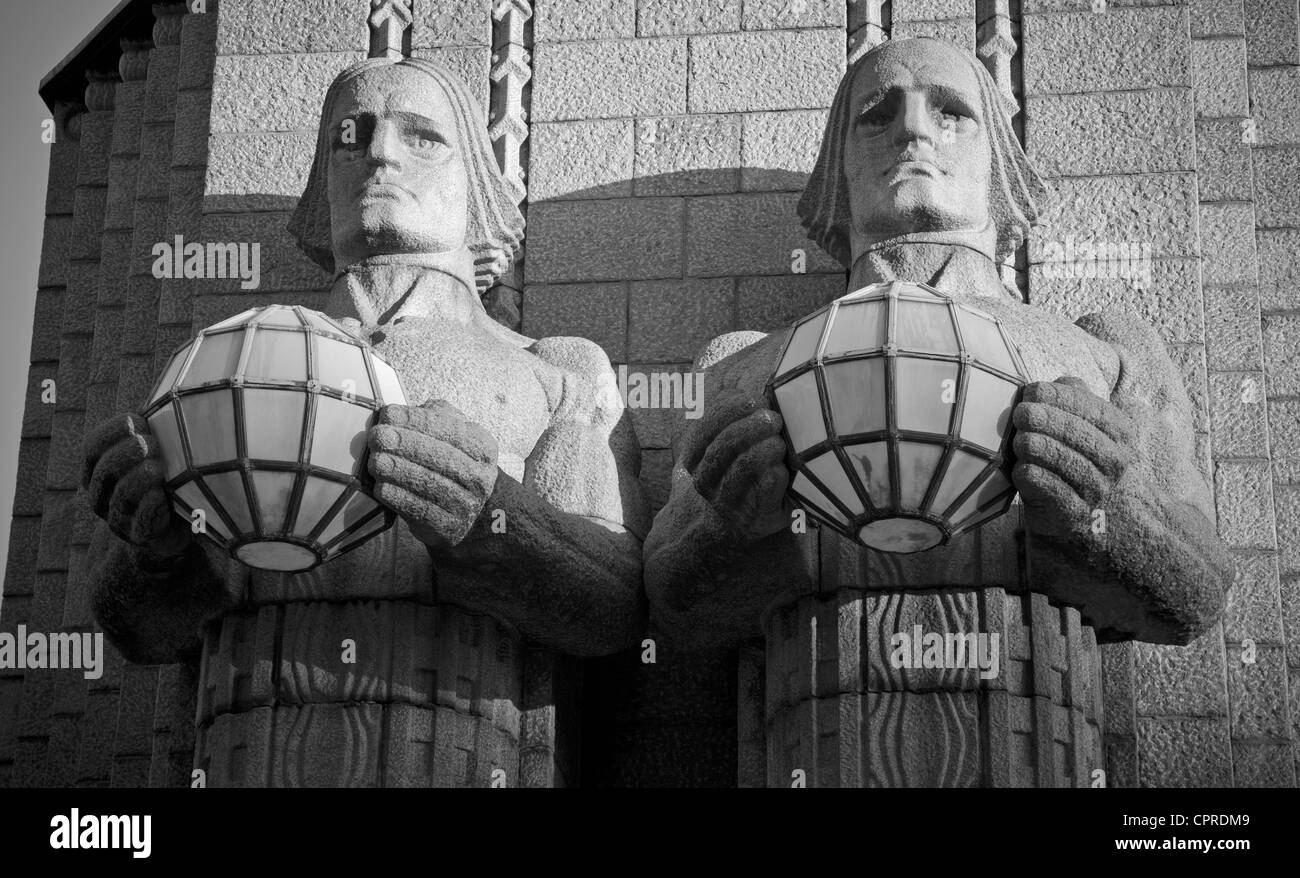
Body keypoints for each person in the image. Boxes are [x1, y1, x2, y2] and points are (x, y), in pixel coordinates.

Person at [643, 38, 1232, 786]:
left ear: (1002, 170)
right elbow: (669, 604)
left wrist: (1108, 511)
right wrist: (730, 532)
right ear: (837, 175)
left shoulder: (1102, 352)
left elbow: (1198, 593)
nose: (915, 130)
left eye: (951, 112)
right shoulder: (744, 365)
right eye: (876, 115)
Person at [82, 57, 649, 787]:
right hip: (244, 752)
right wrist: (157, 550)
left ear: (474, 187)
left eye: (421, 138)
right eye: (351, 138)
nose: (379, 154)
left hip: (469, 751)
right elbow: (138, 632)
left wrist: (494, 524)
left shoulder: (557, 370)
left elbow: (617, 607)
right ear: (323, 184)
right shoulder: (221, 368)